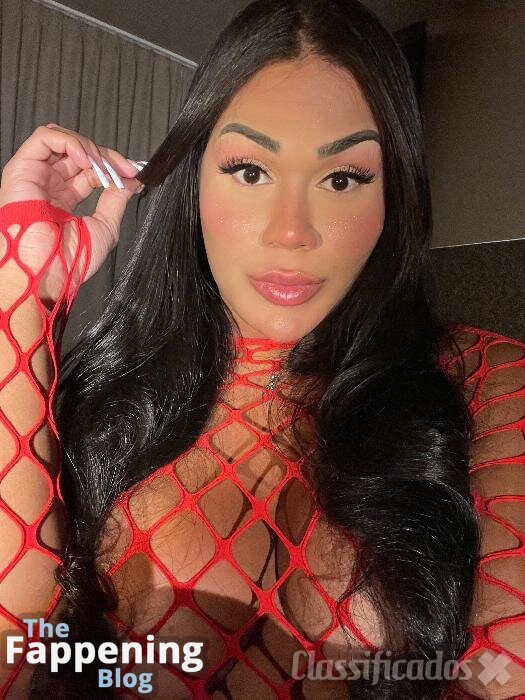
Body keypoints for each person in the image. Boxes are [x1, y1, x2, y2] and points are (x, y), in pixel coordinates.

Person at [0, 0, 523, 697]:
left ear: (393, 197)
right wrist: (22, 293)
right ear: (193, 182)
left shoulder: (485, 384)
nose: (291, 231)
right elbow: (21, 657)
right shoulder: (102, 400)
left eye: (342, 178)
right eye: (250, 171)